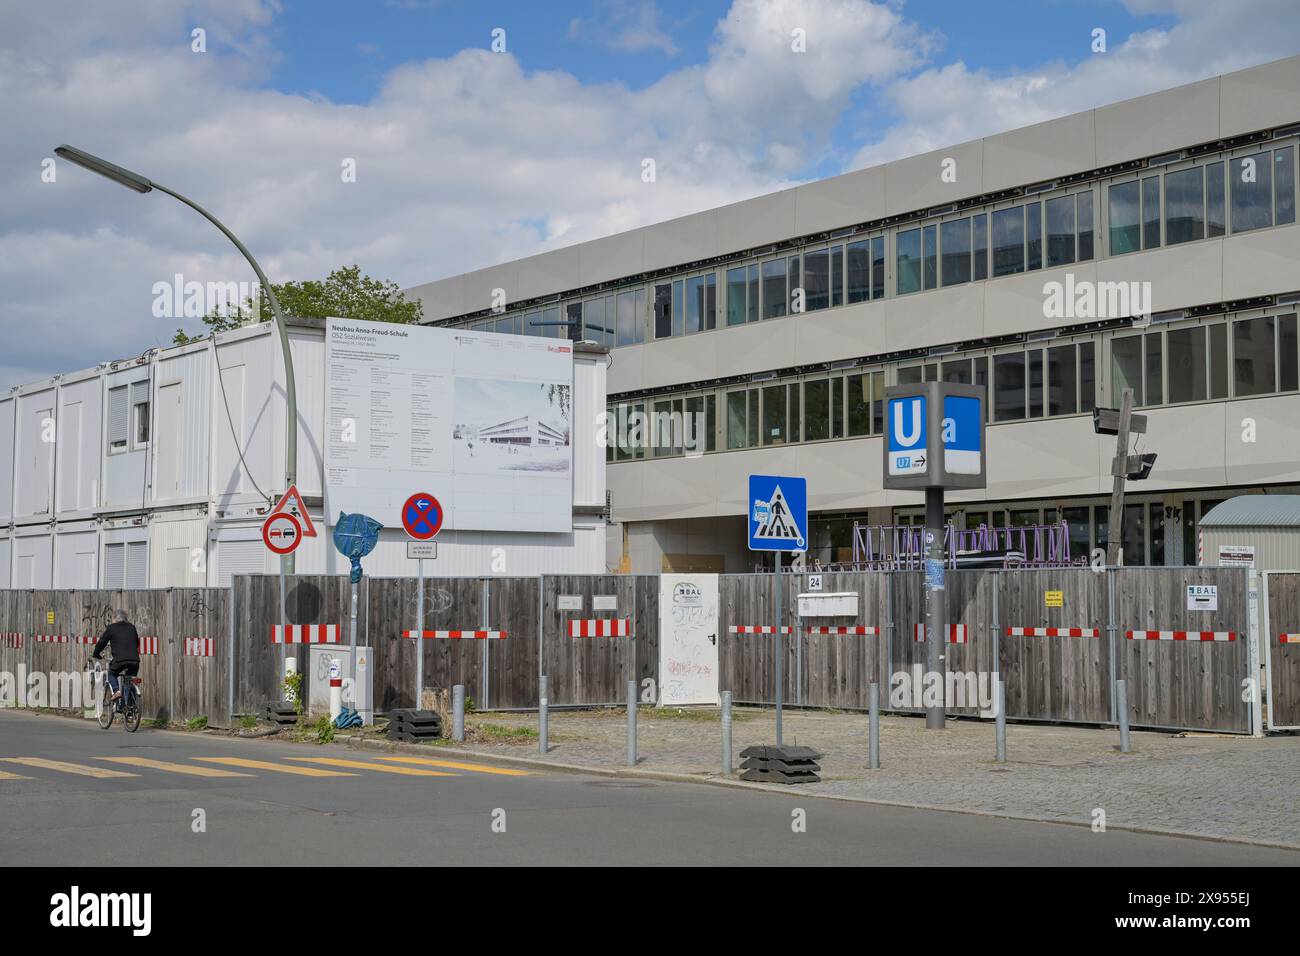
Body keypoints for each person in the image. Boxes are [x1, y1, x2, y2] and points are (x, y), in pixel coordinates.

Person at [91, 610, 140, 702]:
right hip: (134, 660)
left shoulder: (112, 628)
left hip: (119, 660)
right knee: (129, 679)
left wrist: (96, 653)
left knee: (112, 673)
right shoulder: (132, 627)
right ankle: (129, 705)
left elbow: (102, 642)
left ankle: (116, 690)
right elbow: (137, 642)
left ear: (115, 618)